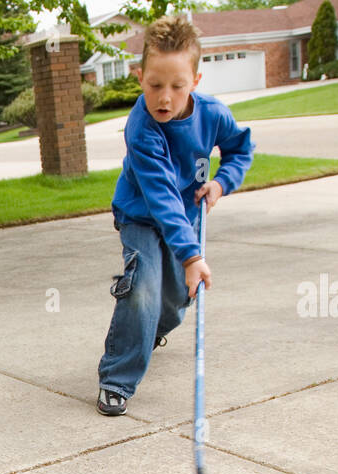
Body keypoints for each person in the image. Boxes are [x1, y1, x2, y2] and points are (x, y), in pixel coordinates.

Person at [96, 15, 255, 417]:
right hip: (142, 215)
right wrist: (191, 256)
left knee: (174, 301)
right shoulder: (142, 128)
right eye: (155, 86)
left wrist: (221, 183)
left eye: (176, 86)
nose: (164, 97)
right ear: (139, 77)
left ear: (195, 83)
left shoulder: (214, 114)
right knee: (143, 290)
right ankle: (117, 379)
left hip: (187, 215)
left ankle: (147, 330)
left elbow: (240, 150)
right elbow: (162, 196)